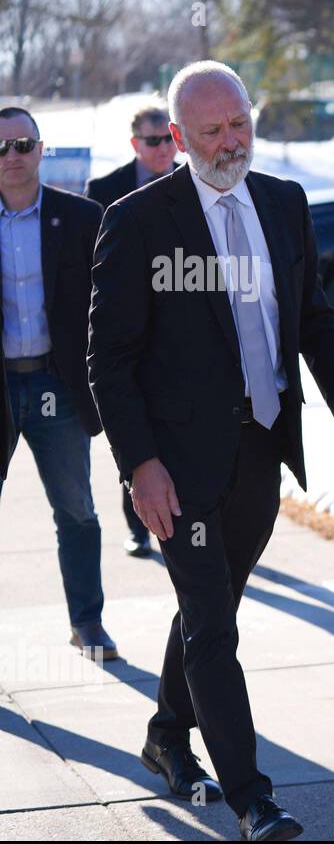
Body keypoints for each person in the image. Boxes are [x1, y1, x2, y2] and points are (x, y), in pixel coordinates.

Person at [88, 61, 334, 841]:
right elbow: (107, 357)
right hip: (176, 465)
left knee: (213, 610)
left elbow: (315, 320)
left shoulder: (283, 203)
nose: (229, 143)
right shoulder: (141, 219)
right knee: (215, 626)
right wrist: (138, 463)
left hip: (260, 446)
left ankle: (165, 736)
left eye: (240, 125)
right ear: (177, 138)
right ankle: (254, 799)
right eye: (210, 133)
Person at [0, 106, 111, 658]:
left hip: (54, 386)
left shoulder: (84, 217)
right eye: (1, 149)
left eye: (22, 145)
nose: (12, 158)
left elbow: (109, 306)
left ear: (41, 149)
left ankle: (87, 623)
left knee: (76, 509)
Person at [85, 102, 180, 558]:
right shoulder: (104, 191)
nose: (163, 148)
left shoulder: (198, 184)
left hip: (181, 335)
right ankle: (139, 526)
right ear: (134, 144)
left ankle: (186, 523)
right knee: (133, 433)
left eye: (168, 139)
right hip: (130, 334)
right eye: (152, 141)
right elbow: (90, 268)